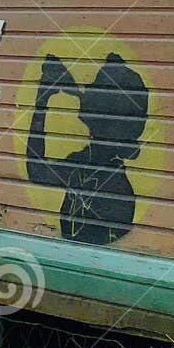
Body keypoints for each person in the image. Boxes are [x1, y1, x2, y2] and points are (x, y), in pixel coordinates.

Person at [25, 51, 149, 244]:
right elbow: (37, 172)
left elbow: (37, 172)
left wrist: (42, 103)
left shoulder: (115, 188)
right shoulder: (85, 163)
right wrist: (41, 102)